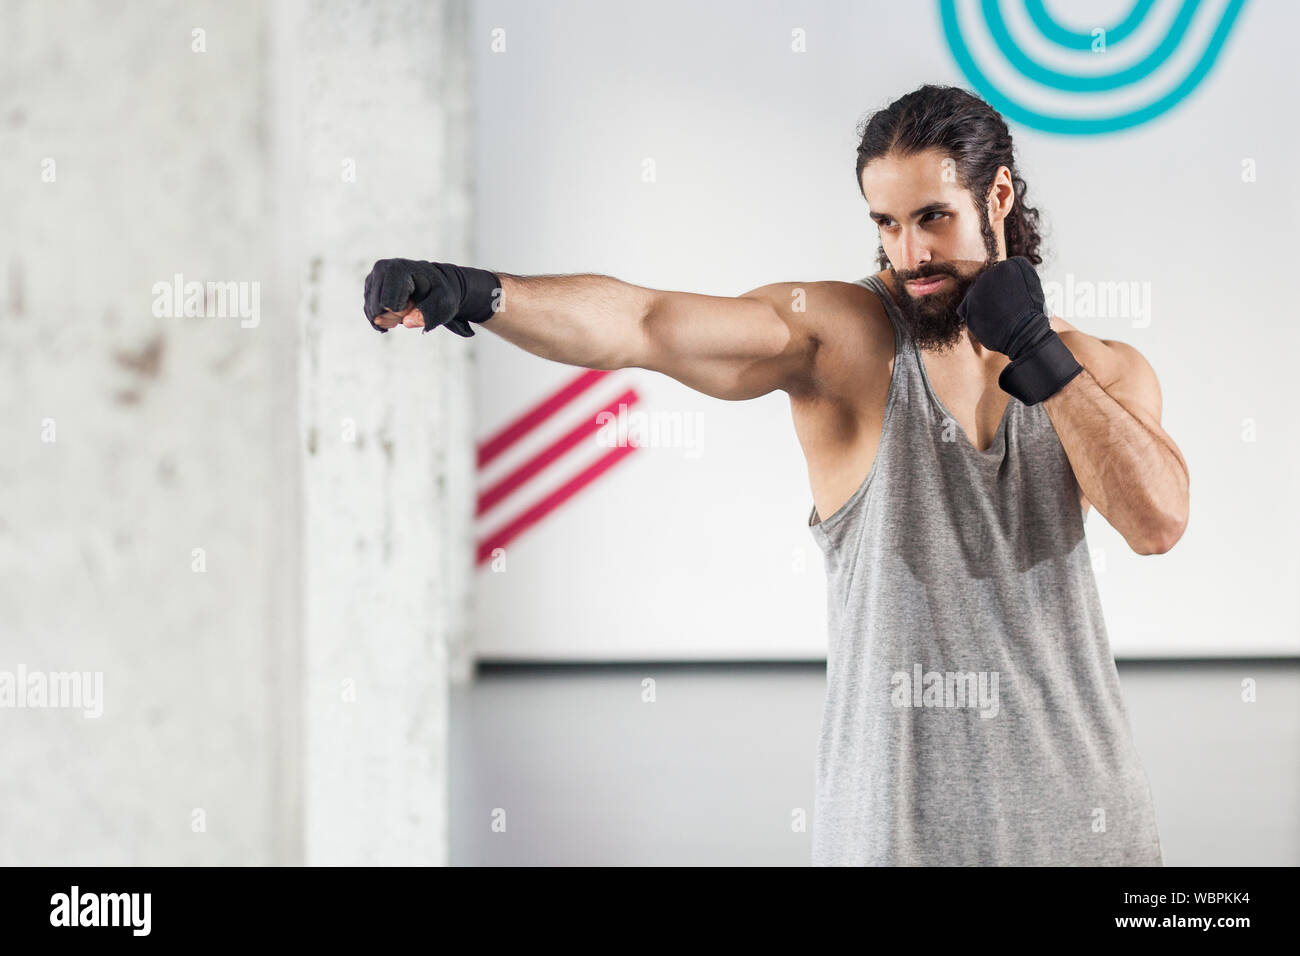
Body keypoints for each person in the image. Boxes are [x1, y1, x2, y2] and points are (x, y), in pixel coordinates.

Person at [362, 84, 1189, 866]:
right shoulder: (847, 340)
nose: (910, 254)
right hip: (898, 831)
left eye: (932, 219)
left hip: (1089, 820)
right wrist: (477, 293)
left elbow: (1157, 522)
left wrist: (1041, 353)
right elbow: (649, 323)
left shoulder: (1099, 370)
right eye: (887, 224)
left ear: (997, 199)